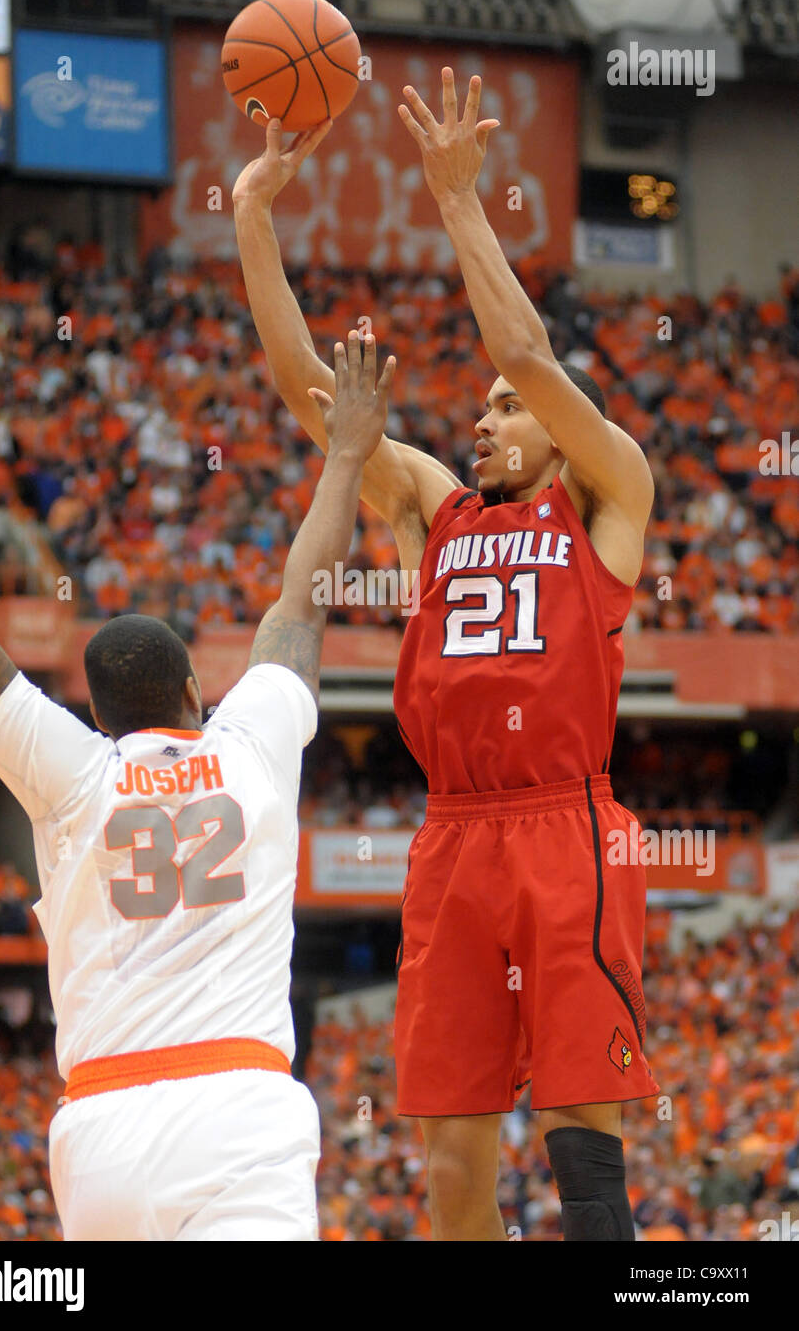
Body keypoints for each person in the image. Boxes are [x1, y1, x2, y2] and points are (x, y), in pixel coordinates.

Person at [233, 69, 659, 1242]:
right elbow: (310, 395)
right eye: (472, 410)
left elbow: (521, 352)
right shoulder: (436, 508)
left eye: (498, 413)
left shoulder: (608, 491)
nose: (480, 419)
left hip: (561, 821)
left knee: (582, 1155)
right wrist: (252, 216)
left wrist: (457, 202)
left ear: (556, 428)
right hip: (453, 833)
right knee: (452, 1173)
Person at [0, 333, 395, 1241]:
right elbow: (303, 595)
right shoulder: (255, 739)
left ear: (99, 718)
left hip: (102, 1126)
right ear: (195, 693)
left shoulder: (73, 774)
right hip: (239, 1107)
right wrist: (346, 451)